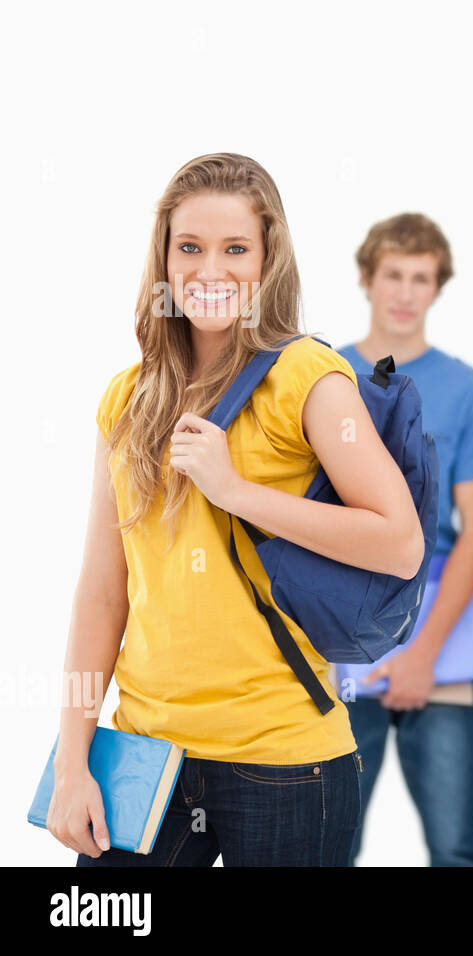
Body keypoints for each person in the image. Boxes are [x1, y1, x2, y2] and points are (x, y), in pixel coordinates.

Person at [48, 153, 424, 866]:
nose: (209, 269)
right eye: (189, 247)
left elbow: (399, 542)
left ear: (267, 259)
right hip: (144, 759)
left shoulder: (307, 378)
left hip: (288, 763)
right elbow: (101, 594)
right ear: (163, 256)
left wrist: (237, 492)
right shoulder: (128, 401)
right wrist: (73, 763)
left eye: (235, 249)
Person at [333, 213, 473, 866]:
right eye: (393, 276)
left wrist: (422, 654)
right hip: (338, 628)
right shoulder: (321, 375)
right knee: (329, 844)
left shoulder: (468, 390)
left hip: (439, 626)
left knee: (456, 845)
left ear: (438, 287)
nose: (405, 293)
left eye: (421, 278)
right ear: (366, 278)